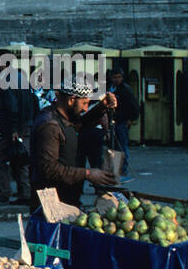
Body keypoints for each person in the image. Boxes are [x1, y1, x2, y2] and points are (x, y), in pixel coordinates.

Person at [27, 83, 119, 211]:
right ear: (71, 100)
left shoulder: (64, 117)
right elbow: (49, 169)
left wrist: (102, 107)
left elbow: (80, 123)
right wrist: (87, 173)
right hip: (51, 205)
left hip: (66, 200)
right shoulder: (50, 126)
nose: (86, 109)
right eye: (84, 103)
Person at [107, 68, 137, 177]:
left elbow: (133, 106)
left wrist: (130, 119)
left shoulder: (125, 90)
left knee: (122, 146)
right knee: (113, 146)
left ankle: (123, 169)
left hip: (121, 120)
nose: (117, 79)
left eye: (119, 77)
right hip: (112, 120)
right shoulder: (110, 88)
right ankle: (114, 168)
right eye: (115, 77)